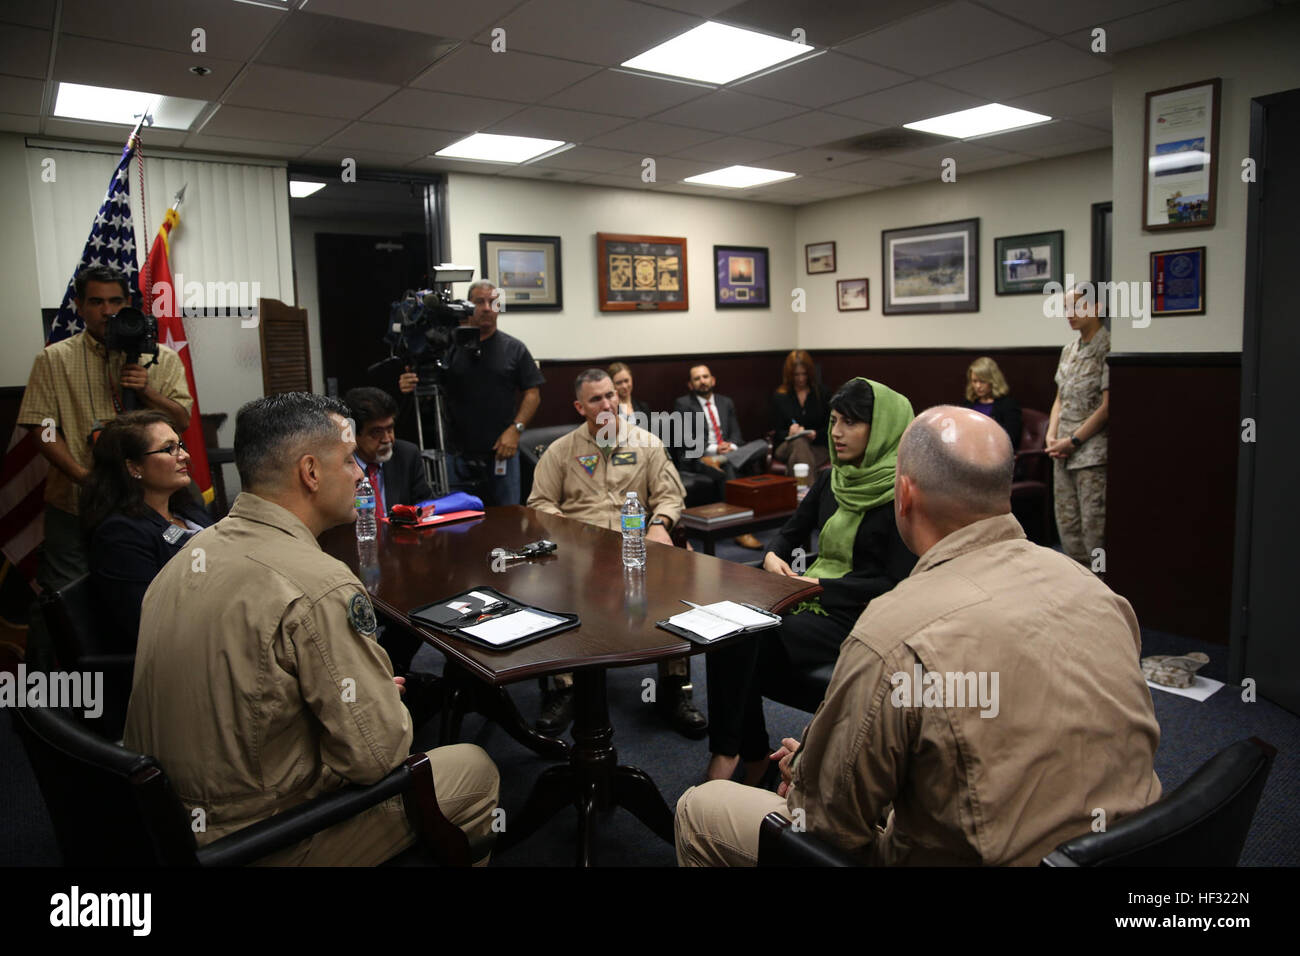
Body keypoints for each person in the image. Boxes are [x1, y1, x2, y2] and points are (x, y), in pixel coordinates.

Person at [675, 406, 1161, 867]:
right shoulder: (1100, 593)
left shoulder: (893, 632)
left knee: (702, 807)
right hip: (1126, 850)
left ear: (903, 496)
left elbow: (826, 823)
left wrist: (804, 773)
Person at [124, 393, 499, 865]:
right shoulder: (320, 584)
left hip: (162, 829)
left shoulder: (184, 563)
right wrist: (380, 701)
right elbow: (376, 758)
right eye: (348, 460)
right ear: (311, 472)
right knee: (475, 767)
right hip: (264, 842)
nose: (362, 474)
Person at [703, 378, 916, 785]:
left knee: (741, 641)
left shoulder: (904, 494)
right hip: (810, 595)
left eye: (851, 423)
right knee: (729, 631)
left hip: (861, 615)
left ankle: (736, 756)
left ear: (884, 428)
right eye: (834, 420)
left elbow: (893, 583)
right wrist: (771, 554)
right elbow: (789, 532)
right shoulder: (831, 478)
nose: (837, 432)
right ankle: (744, 754)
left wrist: (814, 583)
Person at [16, 265, 193, 669]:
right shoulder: (54, 360)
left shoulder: (159, 359)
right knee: (62, 599)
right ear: (79, 306)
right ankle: (48, 701)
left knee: (148, 597)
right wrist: (86, 478)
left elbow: (181, 422)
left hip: (148, 510)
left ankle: (134, 688)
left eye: (115, 301)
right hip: (74, 502)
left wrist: (145, 390)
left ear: (128, 304)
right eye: (96, 301)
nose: (107, 311)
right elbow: (42, 430)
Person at [527, 369, 706, 738]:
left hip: (639, 547)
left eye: (611, 395)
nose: (607, 404)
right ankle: (565, 689)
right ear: (580, 406)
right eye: (596, 399)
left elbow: (670, 496)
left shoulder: (647, 444)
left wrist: (660, 523)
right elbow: (540, 503)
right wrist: (571, 533)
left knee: (676, 584)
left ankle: (675, 688)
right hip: (581, 555)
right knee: (551, 587)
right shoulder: (560, 452)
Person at [398, 279, 543, 506]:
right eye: (479, 302)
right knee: (459, 520)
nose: (486, 307)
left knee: (508, 519)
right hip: (455, 454)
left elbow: (533, 393)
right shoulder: (447, 348)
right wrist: (410, 384)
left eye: (493, 302)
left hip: (501, 452)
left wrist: (516, 430)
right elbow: (430, 393)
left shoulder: (514, 348)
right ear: (468, 305)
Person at [81, 411, 213, 648]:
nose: (184, 455)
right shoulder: (120, 534)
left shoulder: (189, 510)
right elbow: (150, 624)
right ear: (134, 467)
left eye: (180, 445)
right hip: (179, 656)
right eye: (168, 449)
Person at [672, 363, 769, 548]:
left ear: (713, 380)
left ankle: (726, 459)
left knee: (762, 445)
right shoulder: (683, 404)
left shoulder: (726, 402)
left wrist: (729, 447)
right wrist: (715, 449)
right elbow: (686, 441)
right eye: (697, 378)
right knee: (729, 466)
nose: (702, 381)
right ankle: (741, 531)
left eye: (705, 377)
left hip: (728, 454)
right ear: (690, 385)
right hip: (700, 458)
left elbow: (737, 437)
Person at [1046, 285, 1109, 566]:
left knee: (1093, 531)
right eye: (1066, 308)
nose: (1069, 314)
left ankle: (1101, 594)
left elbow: (1107, 407)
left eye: (1076, 307)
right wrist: (1051, 435)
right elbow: (1059, 399)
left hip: (1090, 453)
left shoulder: (1107, 347)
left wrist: (1073, 441)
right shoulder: (1068, 350)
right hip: (1061, 450)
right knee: (1068, 528)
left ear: (1096, 308)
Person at [343, 386, 433, 513]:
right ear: (353, 434)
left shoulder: (407, 455)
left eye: (390, 429)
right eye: (377, 432)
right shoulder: (339, 466)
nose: (387, 439)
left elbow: (425, 507)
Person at [770, 350, 830, 475]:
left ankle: (800, 492)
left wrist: (815, 434)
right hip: (786, 447)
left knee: (798, 455)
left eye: (804, 374)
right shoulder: (781, 396)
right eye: (796, 375)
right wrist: (790, 432)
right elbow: (776, 433)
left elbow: (830, 427)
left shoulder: (822, 394)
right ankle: (808, 492)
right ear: (790, 375)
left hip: (817, 447)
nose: (801, 378)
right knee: (799, 441)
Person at [960, 356, 1022, 448]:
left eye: (982, 381)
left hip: (995, 452)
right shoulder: (968, 404)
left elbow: (1011, 438)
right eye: (974, 381)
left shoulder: (1008, 405)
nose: (978, 386)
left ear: (993, 381)